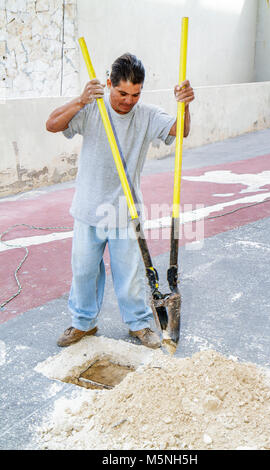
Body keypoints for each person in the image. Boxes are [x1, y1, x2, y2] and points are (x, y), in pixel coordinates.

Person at [46, 53, 194, 349]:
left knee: (130, 275)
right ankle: (83, 324)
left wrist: (185, 105)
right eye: (122, 93)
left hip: (126, 212)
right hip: (89, 208)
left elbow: (181, 130)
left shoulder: (147, 115)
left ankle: (139, 324)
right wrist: (81, 99)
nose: (128, 101)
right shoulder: (93, 108)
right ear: (109, 83)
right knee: (84, 271)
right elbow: (51, 124)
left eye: (135, 94)